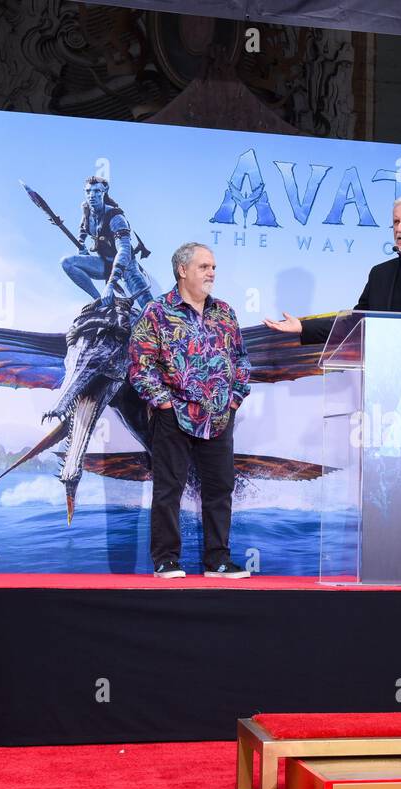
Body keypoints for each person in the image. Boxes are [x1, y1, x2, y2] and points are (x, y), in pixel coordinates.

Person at [128, 242, 251, 579]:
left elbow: (240, 359)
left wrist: (235, 396)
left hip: (219, 416)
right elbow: (140, 365)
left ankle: (218, 561)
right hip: (174, 416)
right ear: (182, 270)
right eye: (204, 267)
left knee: (220, 488)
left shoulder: (224, 312)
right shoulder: (157, 311)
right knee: (169, 489)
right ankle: (166, 560)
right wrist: (164, 403)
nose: (211, 273)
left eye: (213, 267)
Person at [262, 194, 401, 343]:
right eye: (395, 222)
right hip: (386, 381)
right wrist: (303, 327)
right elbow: (355, 324)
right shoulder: (380, 274)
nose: (399, 228)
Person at [62, 175, 154, 313]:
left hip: (127, 266)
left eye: (97, 191)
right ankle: (101, 303)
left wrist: (110, 285)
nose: (92, 195)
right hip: (104, 264)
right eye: (88, 191)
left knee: (151, 310)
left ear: (104, 192)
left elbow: (124, 250)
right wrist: (80, 246)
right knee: (67, 263)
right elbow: (83, 229)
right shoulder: (87, 211)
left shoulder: (116, 217)